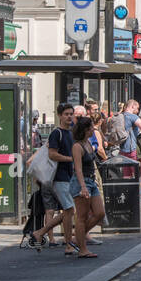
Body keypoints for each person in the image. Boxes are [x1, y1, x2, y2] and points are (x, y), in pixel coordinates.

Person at [40, 103, 80, 253]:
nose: (69, 116)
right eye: (66, 114)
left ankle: (43, 233)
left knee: (69, 211)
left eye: (71, 114)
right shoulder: (57, 133)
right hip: (59, 176)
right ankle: (68, 244)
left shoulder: (71, 133)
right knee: (69, 210)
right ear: (59, 116)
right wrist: (70, 159)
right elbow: (52, 154)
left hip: (69, 176)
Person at [69, 116, 103, 257]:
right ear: (85, 130)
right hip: (81, 182)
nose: (93, 129)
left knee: (100, 213)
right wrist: (83, 187)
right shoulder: (77, 146)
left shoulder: (88, 142)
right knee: (81, 217)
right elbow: (78, 169)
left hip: (91, 181)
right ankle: (83, 249)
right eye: (91, 128)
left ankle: (78, 237)